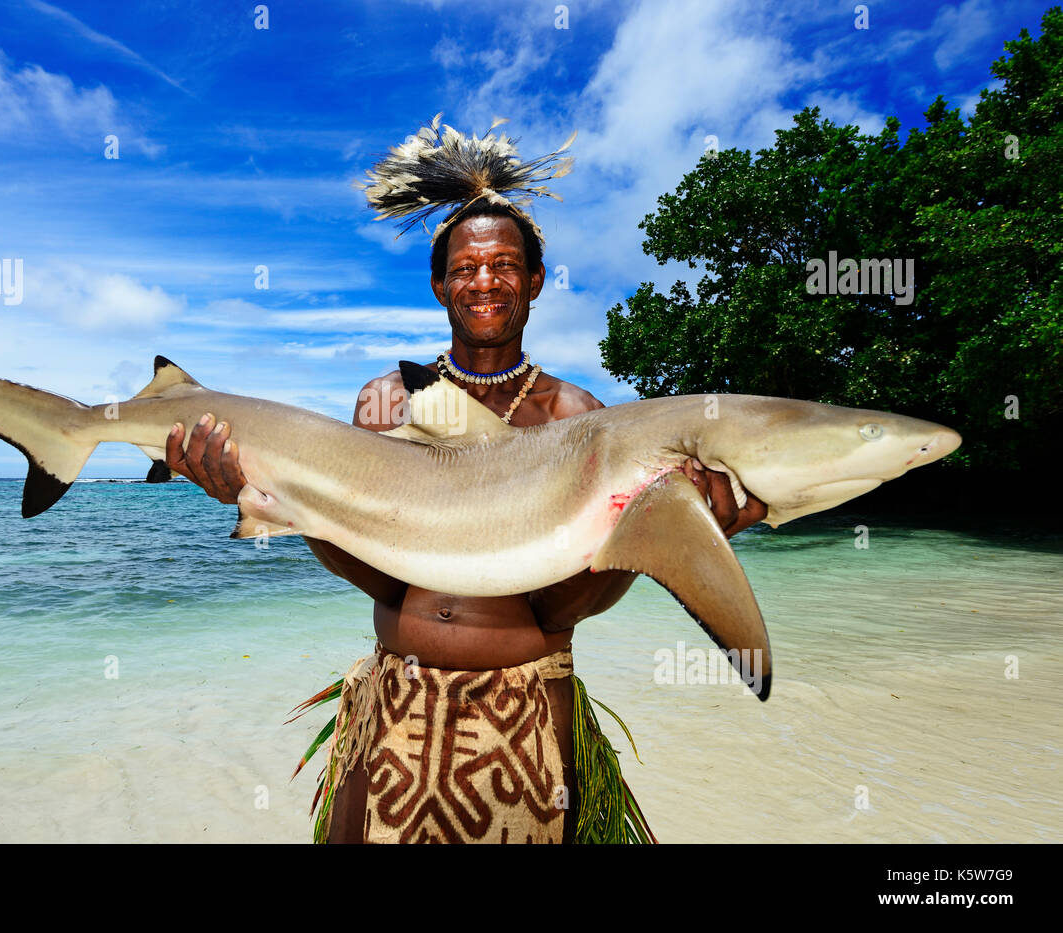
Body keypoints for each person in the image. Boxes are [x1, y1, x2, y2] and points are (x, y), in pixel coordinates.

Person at [164, 119, 767, 843]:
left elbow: (563, 610)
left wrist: (668, 535)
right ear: (440, 283)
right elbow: (382, 577)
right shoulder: (386, 403)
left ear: (536, 279)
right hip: (396, 701)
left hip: (526, 709)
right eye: (467, 267)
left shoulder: (575, 415)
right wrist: (271, 498)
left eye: (505, 264)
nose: (486, 280)